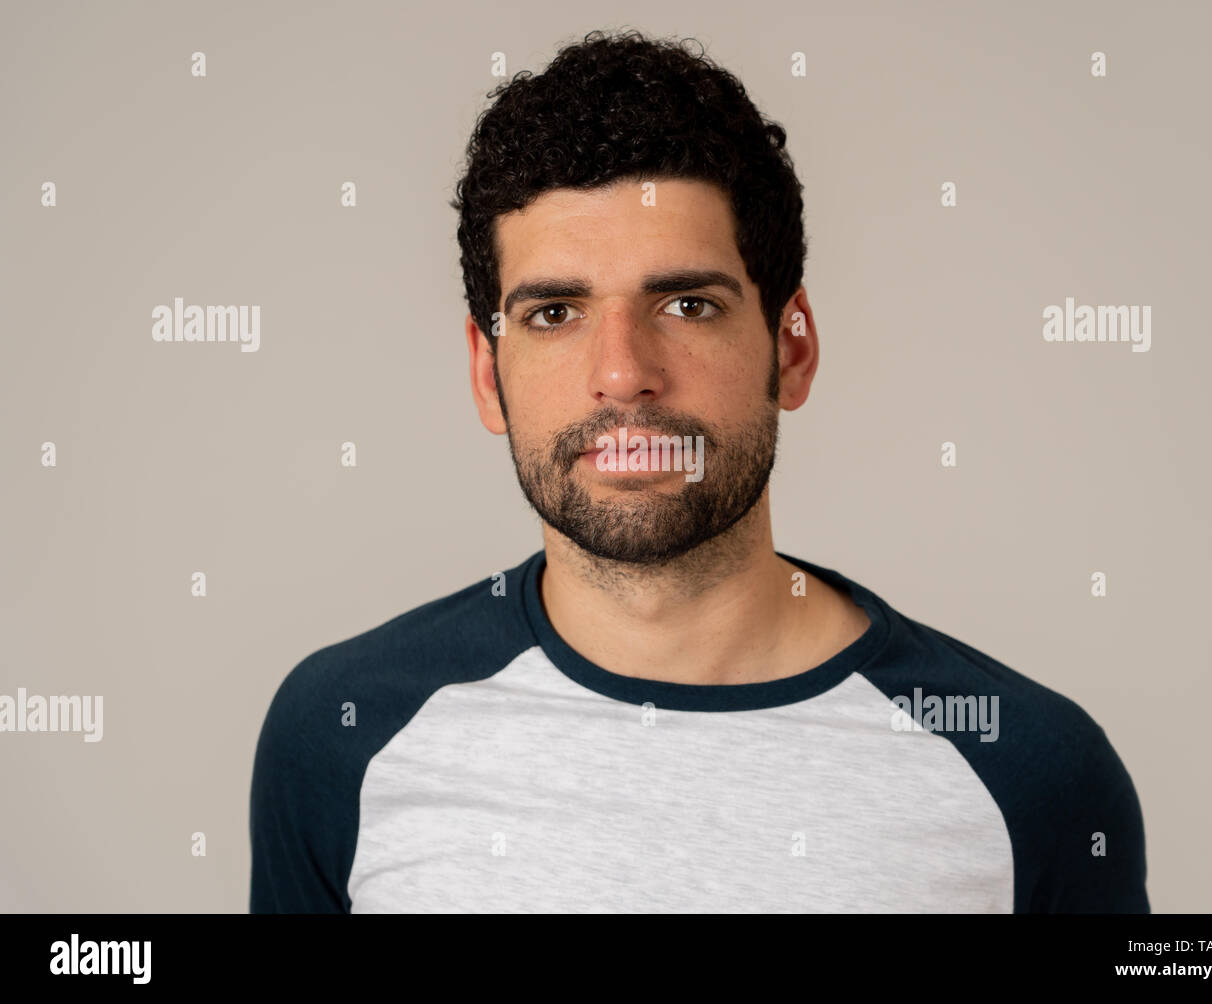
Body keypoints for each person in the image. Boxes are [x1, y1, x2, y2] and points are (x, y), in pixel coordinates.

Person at [250, 28, 1149, 913]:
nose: (622, 372)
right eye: (555, 313)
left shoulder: (1028, 769)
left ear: (791, 351)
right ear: (489, 376)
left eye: (687, 303)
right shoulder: (344, 731)